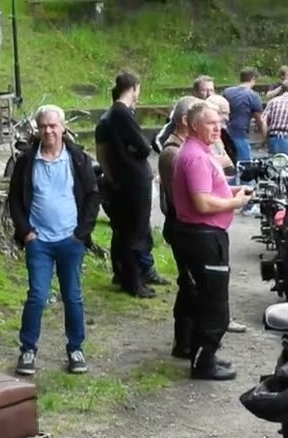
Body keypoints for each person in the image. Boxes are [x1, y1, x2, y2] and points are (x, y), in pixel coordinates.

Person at [8, 105, 102, 376]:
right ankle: (27, 349)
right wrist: (26, 231)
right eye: (43, 126)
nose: (48, 130)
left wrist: (81, 234)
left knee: (73, 297)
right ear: (38, 130)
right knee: (37, 295)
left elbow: (93, 195)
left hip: (70, 241)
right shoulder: (27, 161)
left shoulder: (78, 159)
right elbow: (15, 198)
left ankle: (75, 348)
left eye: (53, 125)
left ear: (63, 128)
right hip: (39, 242)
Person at [172, 103, 253, 381]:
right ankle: (203, 361)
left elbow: (209, 189)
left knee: (210, 299)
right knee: (214, 304)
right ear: (194, 125)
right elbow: (202, 202)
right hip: (203, 236)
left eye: (219, 122)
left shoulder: (203, 152)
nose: (217, 128)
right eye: (210, 123)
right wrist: (235, 202)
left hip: (207, 235)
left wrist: (232, 190)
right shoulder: (195, 156)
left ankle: (206, 356)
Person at [95, 71, 162, 299]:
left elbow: (102, 151)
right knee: (135, 231)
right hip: (134, 179)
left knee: (123, 231)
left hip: (121, 179)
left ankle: (125, 275)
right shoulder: (123, 113)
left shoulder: (108, 116)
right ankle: (134, 281)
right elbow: (144, 147)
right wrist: (137, 149)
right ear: (134, 88)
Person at [159, 96, 205, 359]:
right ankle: (184, 342)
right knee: (189, 284)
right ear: (186, 121)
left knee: (192, 284)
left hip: (185, 225)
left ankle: (188, 340)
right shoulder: (172, 153)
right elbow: (180, 199)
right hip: (181, 226)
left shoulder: (183, 149)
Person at [151, 75, 215, 153]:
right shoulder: (184, 109)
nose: (209, 94)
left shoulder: (216, 109)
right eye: (204, 90)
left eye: (211, 90)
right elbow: (159, 139)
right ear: (195, 93)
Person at [222, 68, 267, 178]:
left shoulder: (227, 92)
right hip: (240, 135)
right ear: (253, 79)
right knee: (245, 169)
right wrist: (264, 138)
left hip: (224, 134)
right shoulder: (252, 95)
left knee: (227, 168)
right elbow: (260, 120)